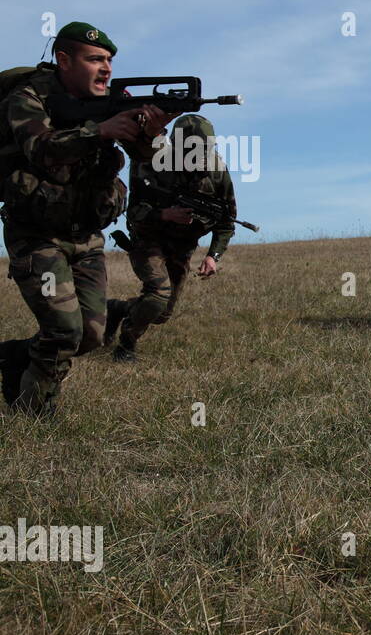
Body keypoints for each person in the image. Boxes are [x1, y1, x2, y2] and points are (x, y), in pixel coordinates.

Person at [0, 22, 171, 415]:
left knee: (91, 336)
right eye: (95, 59)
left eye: (109, 60)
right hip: (36, 234)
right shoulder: (28, 98)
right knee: (64, 330)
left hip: (86, 235)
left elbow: (151, 159)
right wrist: (100, 131)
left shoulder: (114, 100)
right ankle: (34, 412)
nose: (106, 68)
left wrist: (149, 136)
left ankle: (14, 357)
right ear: (64, 60)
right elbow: (41, 150)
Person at [103, 114, 237, 362]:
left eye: (206, 149)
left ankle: (118, 309)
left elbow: (227, 222)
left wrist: (212, 256)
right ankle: (126, 346)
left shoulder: (217, 173)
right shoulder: (150, 162)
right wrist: (165, 214)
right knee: (157, 294)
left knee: (162, 313)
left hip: (182, 247)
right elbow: (133, 212)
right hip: (148, 239)